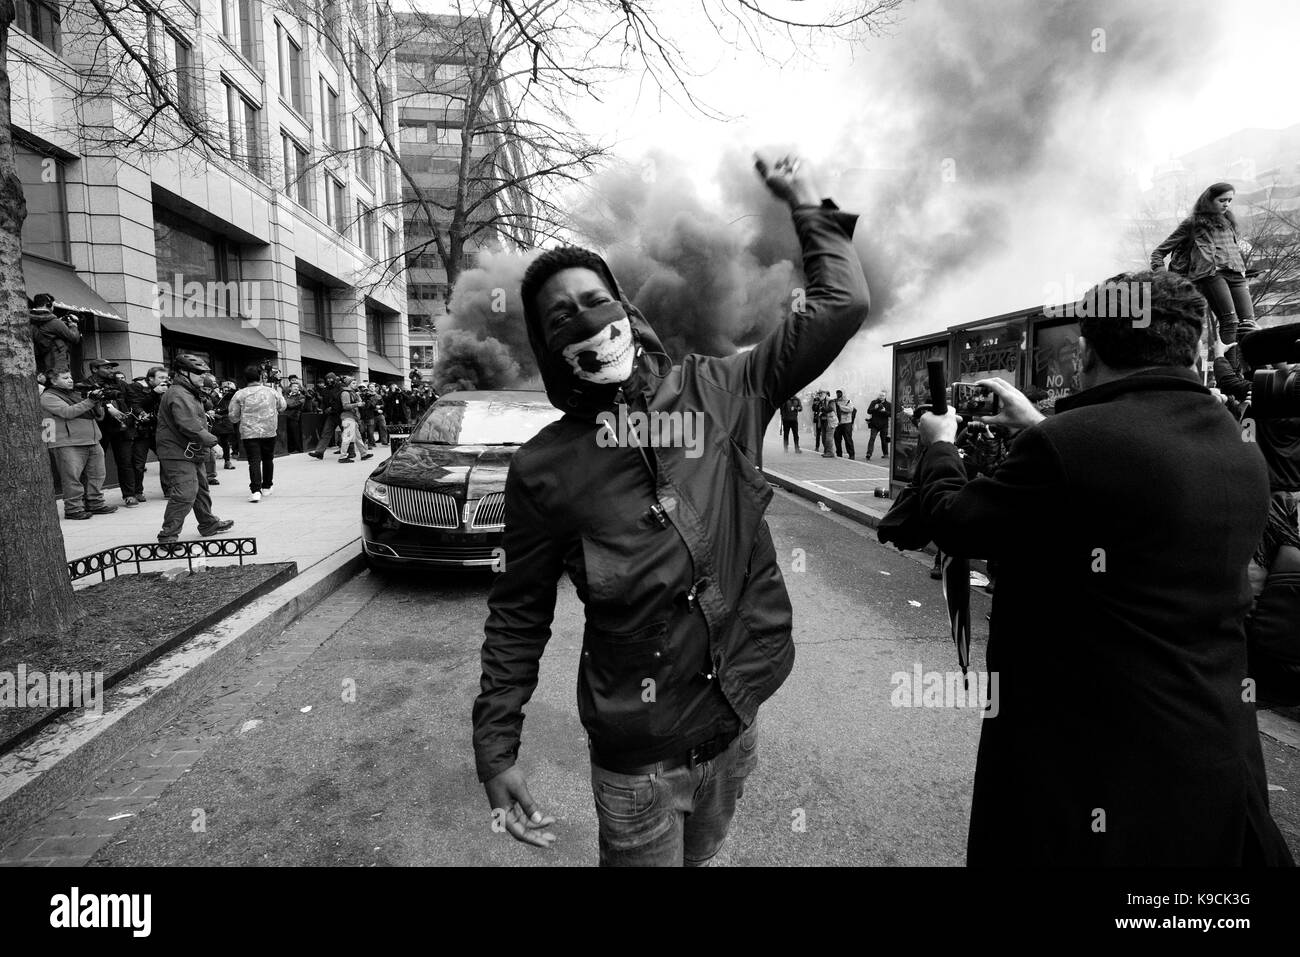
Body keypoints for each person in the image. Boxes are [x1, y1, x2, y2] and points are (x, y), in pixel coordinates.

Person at [471, 154, 870, 866]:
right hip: (638, 765)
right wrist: (495, 746)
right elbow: (518, 613)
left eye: (596, 300)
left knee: (707, 858)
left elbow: (840, 307)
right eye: (561, 316)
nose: (586, 321)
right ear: (547, 348)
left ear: (625, 307)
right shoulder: (542, 470)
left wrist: (808, 201)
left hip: (734, 725)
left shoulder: (720, 390)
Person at [913, 270, 1293, 866]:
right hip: (1212, 755)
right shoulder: (1234, 442)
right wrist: (1045, 427)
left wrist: (938, 445)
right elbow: (1137, 480)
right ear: (1193, 346)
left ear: (1086, 350)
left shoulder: (1071, 447)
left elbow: (956, 520)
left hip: (1091, 766)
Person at [1150, 182, 1254, 349]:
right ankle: (1232, 370)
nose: (1226, 204)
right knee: (1230, 321)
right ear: (1209, 200)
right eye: (1222, 200)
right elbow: (1158, 253)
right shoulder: (1193, 223)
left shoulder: (1228, 222)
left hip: (1236, 274)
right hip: (1211, 275)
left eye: (1229, 200)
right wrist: (1164, 276)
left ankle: (1251, 370)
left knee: (1249, 324)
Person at [154, 354, 234, 543]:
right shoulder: (178, 393)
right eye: (198, 372)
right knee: (186, 492)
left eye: (204, 372)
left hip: (189, 449)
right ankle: (168, 535)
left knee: (201, 489)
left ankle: (208, 523)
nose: (202, 376)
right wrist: (214, 443)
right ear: (183, 372)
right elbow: (189, 424)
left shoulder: (188, 391)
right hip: (176, 451)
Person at [41, 369, 117, 520]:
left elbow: (99, 416)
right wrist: (90, 401)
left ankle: (95, 503)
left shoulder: (76, 394)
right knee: (72, 478)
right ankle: (73, 508)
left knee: (97, 475)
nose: (70, 380)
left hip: (92, 439)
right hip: (67, 442)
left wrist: (97, 402)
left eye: (70, 377)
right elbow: (67, 412)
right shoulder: (48, 396)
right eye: (65, 378)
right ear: (54, 381)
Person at [228, 363, 287, 503]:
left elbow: (233, 416)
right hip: (269, 431)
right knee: (268, 458)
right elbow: (283, 406)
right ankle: (267, 486)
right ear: (260, 377)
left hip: (249, 432)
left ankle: (255, 490)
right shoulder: (271, 391)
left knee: (254, 460)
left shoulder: (240, 394)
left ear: (245, 378)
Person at [124, 366, 171, 501]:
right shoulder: (136, 387)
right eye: (161, 378)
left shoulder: (166, 389)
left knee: (166, 459)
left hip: (159, 430)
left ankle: (169, 489)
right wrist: (154, 393)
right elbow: (136, 406)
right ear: (150, 378)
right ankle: (137, 492)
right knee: (138, 464)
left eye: (166, 378)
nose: (164, 380)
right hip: (141, 431)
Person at [29, 294, 80, 374]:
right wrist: (73, 326)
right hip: (57, 365)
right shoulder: (54, 322)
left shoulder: (28, 320)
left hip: (39, 365)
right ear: (48, 304)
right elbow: (74, 338)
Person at [335, 376, 372, 463]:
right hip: (347, 417)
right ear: (348, 384)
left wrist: (359, 401)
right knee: (347, 438)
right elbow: (345, 406)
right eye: (353, 383)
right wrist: (357, 404)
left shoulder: (353, 393)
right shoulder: (345, 393)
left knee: (358, 437)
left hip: (352, 418)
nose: (356, 385)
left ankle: (363, 454)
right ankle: (342, 457)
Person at [308, 372, 342, 459]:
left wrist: (332, 408)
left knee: (346, 433)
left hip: (340, 413)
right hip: (331, 415)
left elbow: (340, 401)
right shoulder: (325, 390)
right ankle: (319, 452)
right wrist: (323, 409)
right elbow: (324, 402)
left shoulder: (340, 388)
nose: (329, 380)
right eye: (327, 379)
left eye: (331, 378)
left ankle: (350, 451)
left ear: (335, 379)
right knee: (326, 433)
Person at [866, 390, 892, 459]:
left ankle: (885, 454)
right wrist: (874, 408)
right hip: (874, 424)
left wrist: (885, 411)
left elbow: (891, 414)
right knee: (872, 438)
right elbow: (868, 411)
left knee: (884, 440)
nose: (881, 397)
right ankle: (869, 453)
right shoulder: (874, 402)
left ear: (885, 396)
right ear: (878, 396)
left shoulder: (889, 404)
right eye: (880, 395)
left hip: (884, 425)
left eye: (883, 396)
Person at [833, 389, 856, 458]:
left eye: (840, 393)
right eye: (837, 393)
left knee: (848, 439)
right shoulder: (835, 401)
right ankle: (839, 453)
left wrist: (840, 407)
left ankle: (851, 454)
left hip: (846, 423)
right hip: (838, 423)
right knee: (837, 439)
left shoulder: (848, 401)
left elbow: (850, 409)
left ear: (843, 393)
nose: (838, 394)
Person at [284, 381, 306, 453]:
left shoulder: (301, 396)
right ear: (290, 388)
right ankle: (290, 448)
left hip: (295, 417)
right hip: (286, 416)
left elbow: (292, 405)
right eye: (294, 386)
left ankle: (297, 448)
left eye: (297, 387)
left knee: (295, 433)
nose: (296, 388)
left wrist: (287, 403)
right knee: (289, 433)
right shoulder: (287, 395)